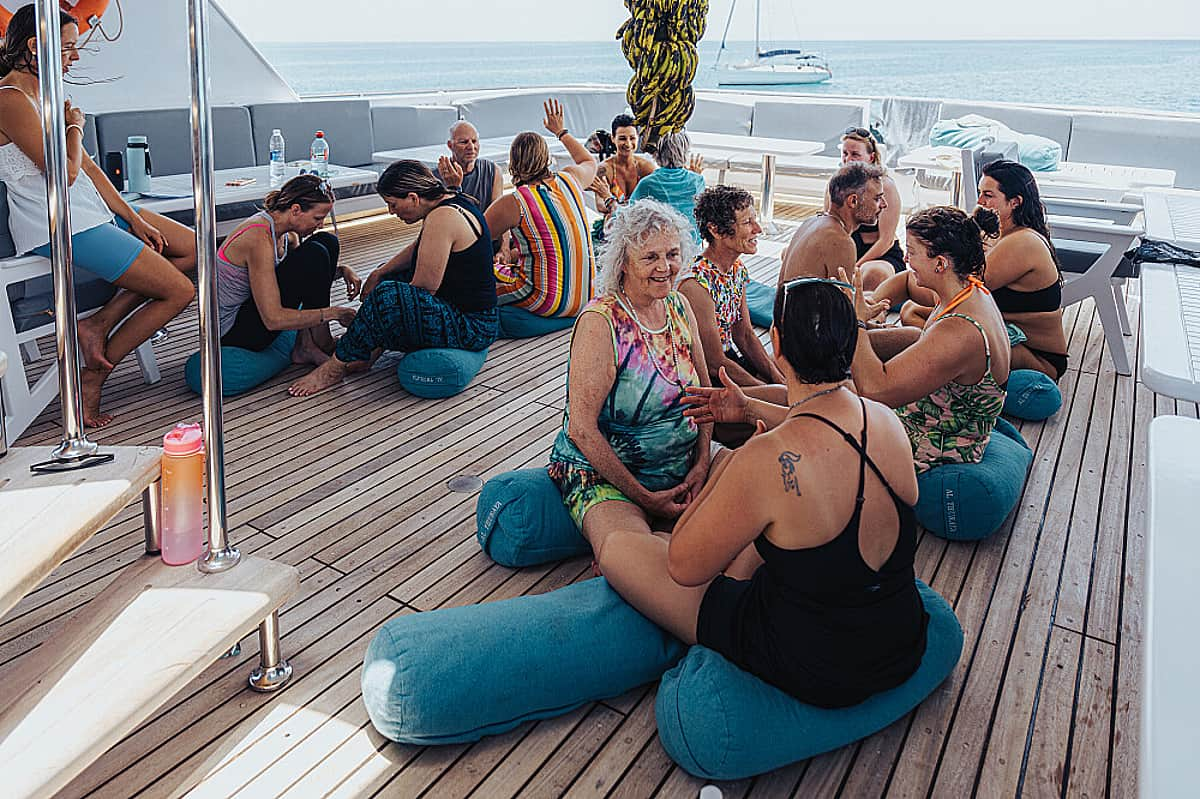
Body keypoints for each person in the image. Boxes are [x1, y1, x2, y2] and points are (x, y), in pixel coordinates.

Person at [597, 279, 929, 708]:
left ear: (776, 342)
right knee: (781, 526)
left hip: (817, 664)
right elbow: (819, 422)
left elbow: (681, 565)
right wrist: (752, 409)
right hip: (899, 638)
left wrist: (733, 461)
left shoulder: (767, 457)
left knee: (621, 549)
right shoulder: (886, 420)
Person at [688, 207, 1010, 474]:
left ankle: (736, 417)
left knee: (827, 408)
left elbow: (876, 389)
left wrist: (854, 319)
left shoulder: (961, 331)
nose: (907, 260)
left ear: (941, 263)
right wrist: (868, 309)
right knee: (811, 392)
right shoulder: (966, 290)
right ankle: (728, 407)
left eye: (911, 253)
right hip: (924, 416)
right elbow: (904, 284)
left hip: (931, 444)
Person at [0, 5, 195, 427]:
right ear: (36, 47)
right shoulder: (9, 101)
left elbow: (89, 169)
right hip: (58, 222)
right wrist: (74, 127)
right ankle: (93, 376)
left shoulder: (46, 95)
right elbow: (64, 174)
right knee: (179, 291)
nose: (75, 56)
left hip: (91, 212)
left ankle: (98, 324)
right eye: (68, 48)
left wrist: (133, 217)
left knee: (191, 248)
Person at [546, 200, 711, 555]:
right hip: (607, 478)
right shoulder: (601, 323)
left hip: (683, 468)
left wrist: (702, 463)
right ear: (623, 263)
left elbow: (705, 394)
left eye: (672, 254)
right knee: (631, 553)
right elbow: (581, 429)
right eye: (650, 257)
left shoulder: (679, 306)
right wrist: (645, 498)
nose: (664, 267)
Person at [288, 160, 497, 396]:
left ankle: (334, 369)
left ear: (413, 198)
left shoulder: (443, 218)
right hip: (465, 312)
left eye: (392, 204)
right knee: (389, 280)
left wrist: (373, 313)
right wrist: (381, 272)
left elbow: (423, 289)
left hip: (472, 326)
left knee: (390, 296)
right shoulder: (452, 203)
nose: (391, 212)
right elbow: (420, 248)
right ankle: (364, 355)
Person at [216, 175, 358, 368]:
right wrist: (335, 313)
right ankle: (320, 338)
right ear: (296, 210)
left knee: (327, 241)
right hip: (233, 332)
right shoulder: (258, 238)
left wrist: (342, 270)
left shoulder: (287, 232)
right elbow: (273, 319)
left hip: (252, 310)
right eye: (317, 218)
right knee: (314, 252)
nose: (321, 224)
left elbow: (303, 278)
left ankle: (307, 344)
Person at [485, 98, 598, 319]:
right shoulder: (570, 179)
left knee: (479, 278)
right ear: (546, 159)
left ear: (513, 163)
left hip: (545, 300)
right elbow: (589, 161)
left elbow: (472, 238)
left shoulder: (515, 201)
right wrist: (561, 131)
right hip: (587, 295)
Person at [679, 185, 781, 387]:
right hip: (701, 375)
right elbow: (714, 364)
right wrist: (767, 390)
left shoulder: (736, 270)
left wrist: (779, 380)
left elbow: (744, 335)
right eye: (747, 222)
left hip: (728, 360)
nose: (758, 229)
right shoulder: (696, 284)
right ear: (715, 230)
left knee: (788, 365)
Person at [975, 159, 1068, 380]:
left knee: (934, 325)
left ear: (1015, 202)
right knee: (913, 311)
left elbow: (964, 287)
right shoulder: (999, 234)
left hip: (1038, 359)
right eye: (980, 193)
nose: (979, 201)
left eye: (988, 195)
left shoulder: (1023, 242)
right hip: (1007, 336)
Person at [779, 162, 888, 291]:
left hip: (786, 308)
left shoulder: (811, 221)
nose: (884, 204)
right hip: (804, 310)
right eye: (877, 199)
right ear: (853, 201)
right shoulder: (841, 241)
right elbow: (843, 308)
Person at [832, 127, 905, 282]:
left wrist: (854, 268)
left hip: (881, 254)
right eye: (845, 153)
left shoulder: (886, 187)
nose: (848, 159)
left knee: (872, 272)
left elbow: (886, 240)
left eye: (855, 154)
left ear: (871, 157)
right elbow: (831, 226)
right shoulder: (836, 184)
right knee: (790, 252)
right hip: (848, 249)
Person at [627, 130, 706, 243]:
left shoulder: (648, 183)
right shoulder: (697, 181)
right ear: (684, 151)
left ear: (656, 152)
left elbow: (628, 215)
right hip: (692, 246)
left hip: (660, 246)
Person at [589, 112, 654, 217]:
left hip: (640, 225)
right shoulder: (604, 169)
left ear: (638, 138)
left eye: (632, 138)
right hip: (613, 226)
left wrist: (610, 200)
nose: (628, 144)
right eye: (622, 138)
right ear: (613, 138)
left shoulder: (646, 167)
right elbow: (600, 205)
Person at [435, 120, 502, 210]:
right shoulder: (436, 177)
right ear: (450, 145)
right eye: (464, 142)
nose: (471, 147)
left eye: (474, 141)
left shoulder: (493, 171)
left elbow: (496, 213)